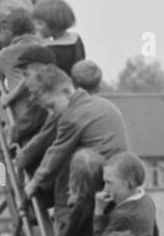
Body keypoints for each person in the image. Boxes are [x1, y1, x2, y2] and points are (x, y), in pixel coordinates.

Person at [24, 67, 129, 213]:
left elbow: (56, 153)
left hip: (95, 179)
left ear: (67, 92)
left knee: (65, 161)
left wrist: (34, 183)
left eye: (52, 106)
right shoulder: (101, 103)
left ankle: (61, 215)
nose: (51, 113)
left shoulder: (71, 117)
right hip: (118, 176)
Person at [93, 152, 158, 236]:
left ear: (129, 182)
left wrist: (98, 211)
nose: (105, 188)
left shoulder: (123, 215)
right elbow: (155, 235)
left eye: (109, 183)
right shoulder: (147, 200)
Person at [31, 0, 86, 75]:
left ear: (54, 23)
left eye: (40, 24)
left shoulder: (52, 51)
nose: (35, 27)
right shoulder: (76, 39)